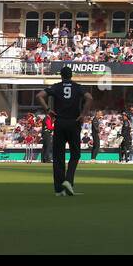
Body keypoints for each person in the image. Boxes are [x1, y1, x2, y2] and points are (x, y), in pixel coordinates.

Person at [36, 65, 92, 196]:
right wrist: (83, 114)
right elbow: (89, 98)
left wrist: (48, 110)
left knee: (58, 156)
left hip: (60, 123)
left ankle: (59, 190)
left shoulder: (56, 86)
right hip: (74, 122)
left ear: (61, 76)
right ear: (71, 75)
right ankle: (68, 180)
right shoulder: (78, 87)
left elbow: (39, 95)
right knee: (75, 154)